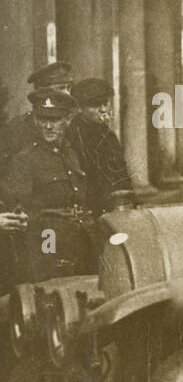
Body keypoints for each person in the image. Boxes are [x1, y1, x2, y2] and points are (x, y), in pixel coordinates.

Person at [0, 88, 97, 281]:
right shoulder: (25, 160)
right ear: (35, 121)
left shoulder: (72, 154)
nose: (48, 126)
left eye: (55, 120)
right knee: (54, 287)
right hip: (47, 240)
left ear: (67, 121)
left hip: (81, 237)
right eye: (43, 120)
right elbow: (19, 207)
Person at [69, 77, 132, 211]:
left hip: (114, 205)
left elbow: (122, 172)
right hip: (88, 207)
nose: (103, 109)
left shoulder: (108, 135)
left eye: (105, 103)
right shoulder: (72, 136)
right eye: (95, 105)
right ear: (80, 107)